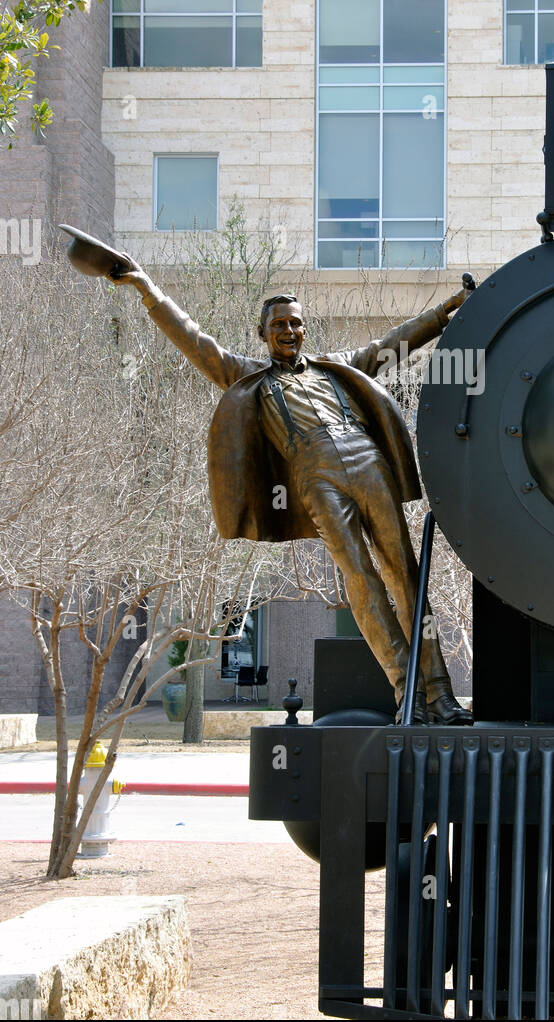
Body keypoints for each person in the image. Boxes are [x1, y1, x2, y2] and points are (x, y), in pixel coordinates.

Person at [112, 256, 472, 726]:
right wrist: (147, 289)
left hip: (369, 463)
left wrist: (451, 306)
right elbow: (195, 341)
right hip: (315, 477)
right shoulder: (247, 377)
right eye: (279, 324)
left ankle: (440, 694)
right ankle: (408, 691)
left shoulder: (337, 367)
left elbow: (394, 344)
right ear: (263, 333)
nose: (289, 330)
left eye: (296, 323)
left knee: (406, 575)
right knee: (361, 580)